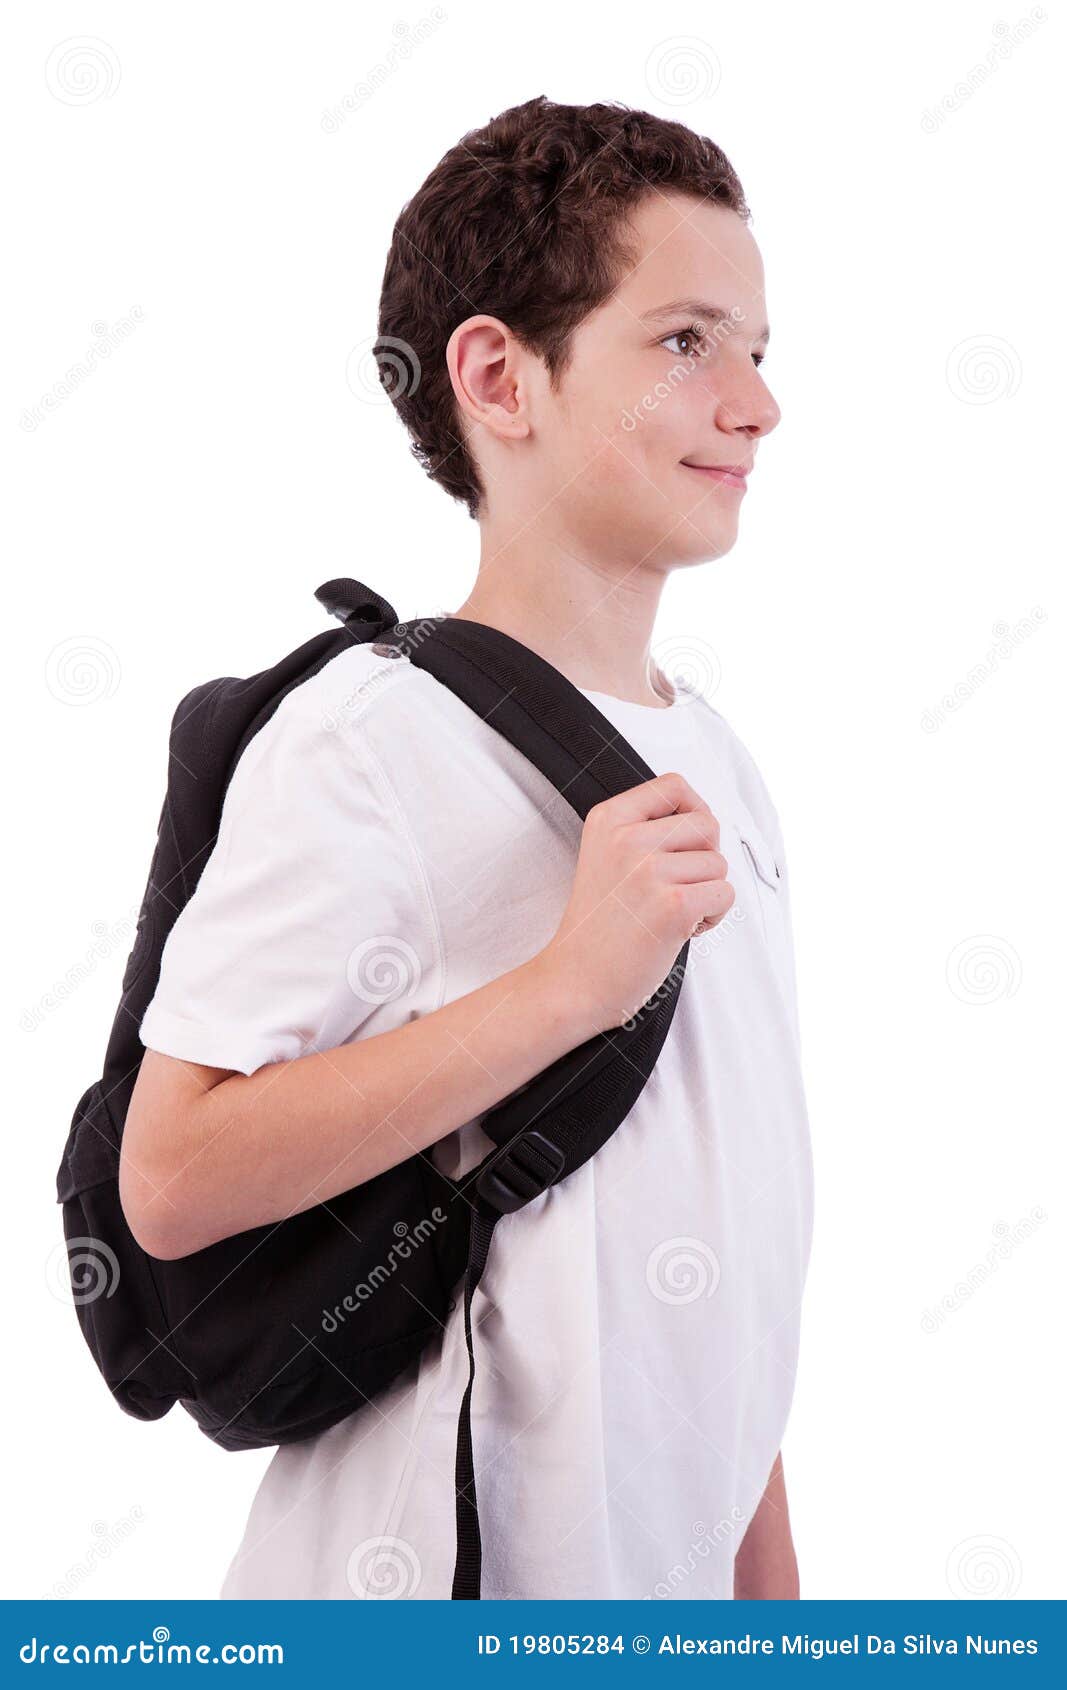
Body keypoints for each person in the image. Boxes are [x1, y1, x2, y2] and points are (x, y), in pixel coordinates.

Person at [120, 95, 813, 1601]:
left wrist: (773, 1615)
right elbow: (168, 1176)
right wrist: (569, 986)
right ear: (501, 377)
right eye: (686, 342)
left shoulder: (724, 762)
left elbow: (722, 1233)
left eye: (762, 352)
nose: (756, 403)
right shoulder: (372, 738)